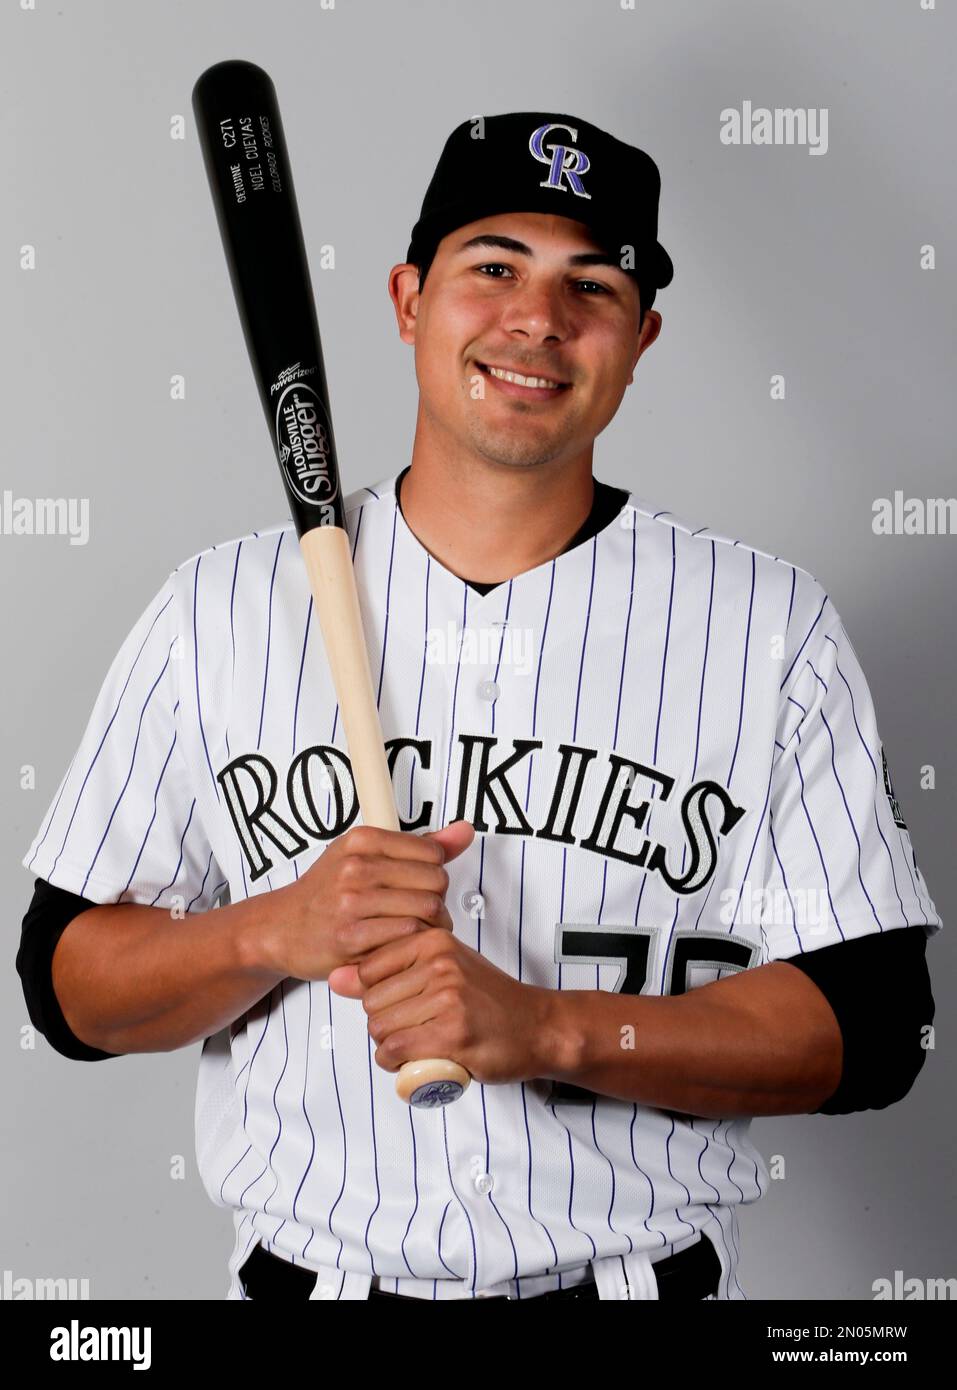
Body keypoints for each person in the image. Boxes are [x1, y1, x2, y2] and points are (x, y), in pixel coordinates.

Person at [18, 112, 940, 1302]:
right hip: (316, 1290)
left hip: (632, 1287)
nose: (537, 321)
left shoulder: (766, 627)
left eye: (591, 284)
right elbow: (64, 987)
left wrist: (553, 1029)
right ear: (409, 299)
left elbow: (872, 1030)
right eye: (493, 266)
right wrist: (269, 929)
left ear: (642, 336)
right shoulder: (220, 608)